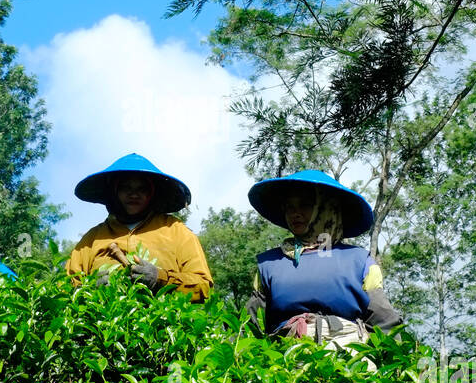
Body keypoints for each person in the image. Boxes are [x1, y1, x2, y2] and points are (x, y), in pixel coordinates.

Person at [246, 169, 402, 355]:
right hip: (286, 361)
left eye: (304, 205)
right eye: (289, 206)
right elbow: (249, 326)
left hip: (350, 359)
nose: (295, 213)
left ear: (326, 208)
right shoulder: (269, 264)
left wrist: (397, 366)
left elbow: (385, 322)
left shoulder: (360, 262)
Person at [66, 152, 213, 301]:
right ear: (114, 192)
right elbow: (64, 290)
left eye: (142, 189)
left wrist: (160, 280)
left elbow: (203, 286)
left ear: (152, 193)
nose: (134, 194)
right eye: (125, 187)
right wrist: (89, 289)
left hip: (166, 322)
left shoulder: (175, 230)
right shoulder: (92, 239)